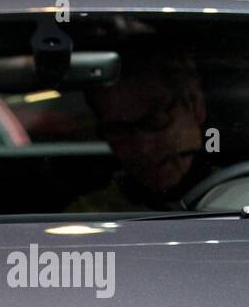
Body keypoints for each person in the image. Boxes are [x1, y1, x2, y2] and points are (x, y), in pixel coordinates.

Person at [70, 45, 212, 212]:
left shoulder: (243, 192)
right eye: (119, 130)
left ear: (195, 105)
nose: (143, 148)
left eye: (154, 119)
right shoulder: (88, 216)